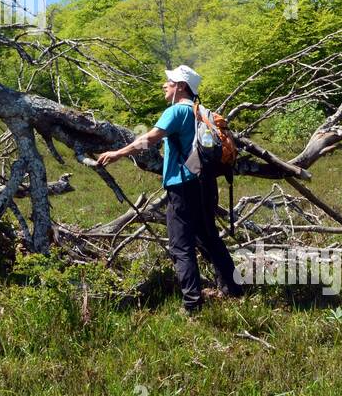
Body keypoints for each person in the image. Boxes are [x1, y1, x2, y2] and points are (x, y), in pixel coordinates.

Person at [97, 64, 243, 312]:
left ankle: (192, 305)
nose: (165, 85)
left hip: (183, 186)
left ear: (181, 87)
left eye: (170, 82)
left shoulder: (176, 111)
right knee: (210, 237)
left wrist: (118, 153)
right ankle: (235, 289)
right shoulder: (202, 112)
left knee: (180, 244)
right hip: (206, 183)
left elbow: (147, 139)